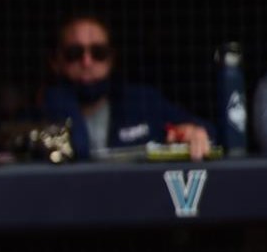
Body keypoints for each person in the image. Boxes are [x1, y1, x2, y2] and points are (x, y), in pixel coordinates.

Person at [40, 14, 210, 161]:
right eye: (74, 54)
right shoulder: (41, 111)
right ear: (56, 61)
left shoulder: (142, 103)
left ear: (111, 58)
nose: (87, 62)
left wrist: (194, 133)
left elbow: (210, 134)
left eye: (98, 53)